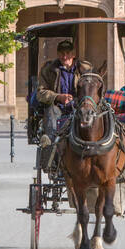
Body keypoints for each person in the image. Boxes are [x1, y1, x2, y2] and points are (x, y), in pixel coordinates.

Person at [36, 39, 89, 168]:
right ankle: (50, 149)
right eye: (61, 53)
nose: (64, 56)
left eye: (67, 53)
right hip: (58, 107)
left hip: (79, 106)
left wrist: (78, 101)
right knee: (51, 112)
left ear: (73, 54)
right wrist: (58, 97)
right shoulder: (49, 69)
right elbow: (40, 93)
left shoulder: (85, 68)